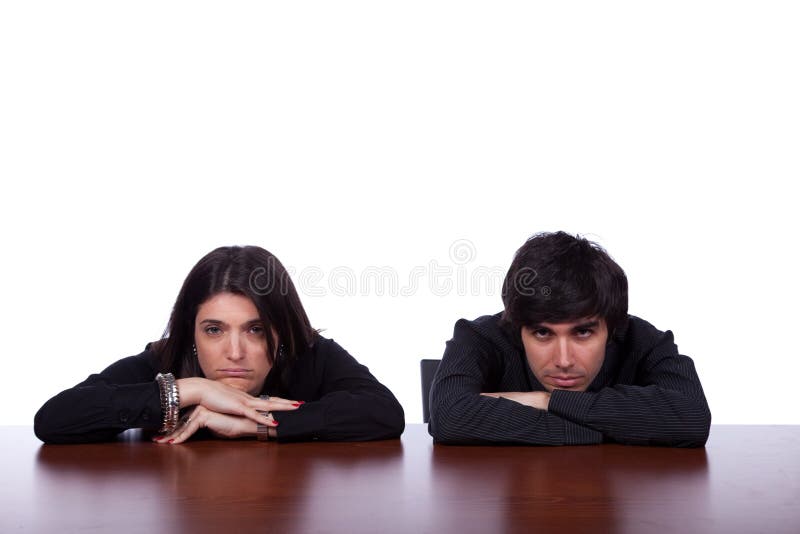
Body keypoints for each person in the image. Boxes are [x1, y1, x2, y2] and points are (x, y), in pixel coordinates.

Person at [35, 246, 405, 444]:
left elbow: (385, 413)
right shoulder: (166, 359)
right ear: (191, 331)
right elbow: (54, 419)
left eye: (256, 329)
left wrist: (258, 425)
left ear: (282, 330)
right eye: (214, 330)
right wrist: (190, 390)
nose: (235, 352)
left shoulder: (308, 353)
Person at [428, 231, 711, 447]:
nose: (563, 360)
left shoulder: (642, 340)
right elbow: (448, 416)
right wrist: (618, 428)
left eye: (583, 332)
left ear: (612, 329)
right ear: (517, 329)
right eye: (542, 333)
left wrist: (546, 401)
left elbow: (692, 418)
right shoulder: (480, 337)